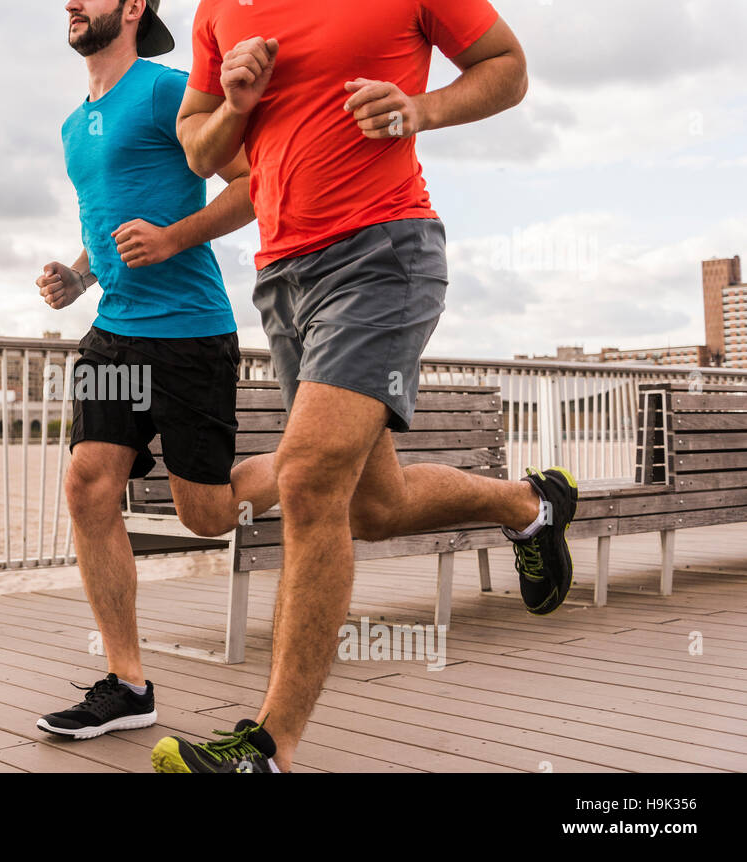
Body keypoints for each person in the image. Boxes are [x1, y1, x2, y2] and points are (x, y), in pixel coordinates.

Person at [150, 0, 576, 773]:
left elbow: (506, 67)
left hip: (384, 251)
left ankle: (267, 749)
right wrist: (237, 107)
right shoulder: (219, 10)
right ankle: (530, 505)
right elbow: (196, 146)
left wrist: (421, 108)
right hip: (283, 275)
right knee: (372, 509)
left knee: (309, 480)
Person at [33, 0, 278, 740]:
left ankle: (319, 460)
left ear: (134, 6)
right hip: (114, 333)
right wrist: (79, 277)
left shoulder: (171, 89)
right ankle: (129, 683)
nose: (72, 3)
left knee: (205, 515)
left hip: (188, 335)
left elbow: (252, 184)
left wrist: (173, 240)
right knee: (86, 485)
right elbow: (106, 227)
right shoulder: (75, 125)